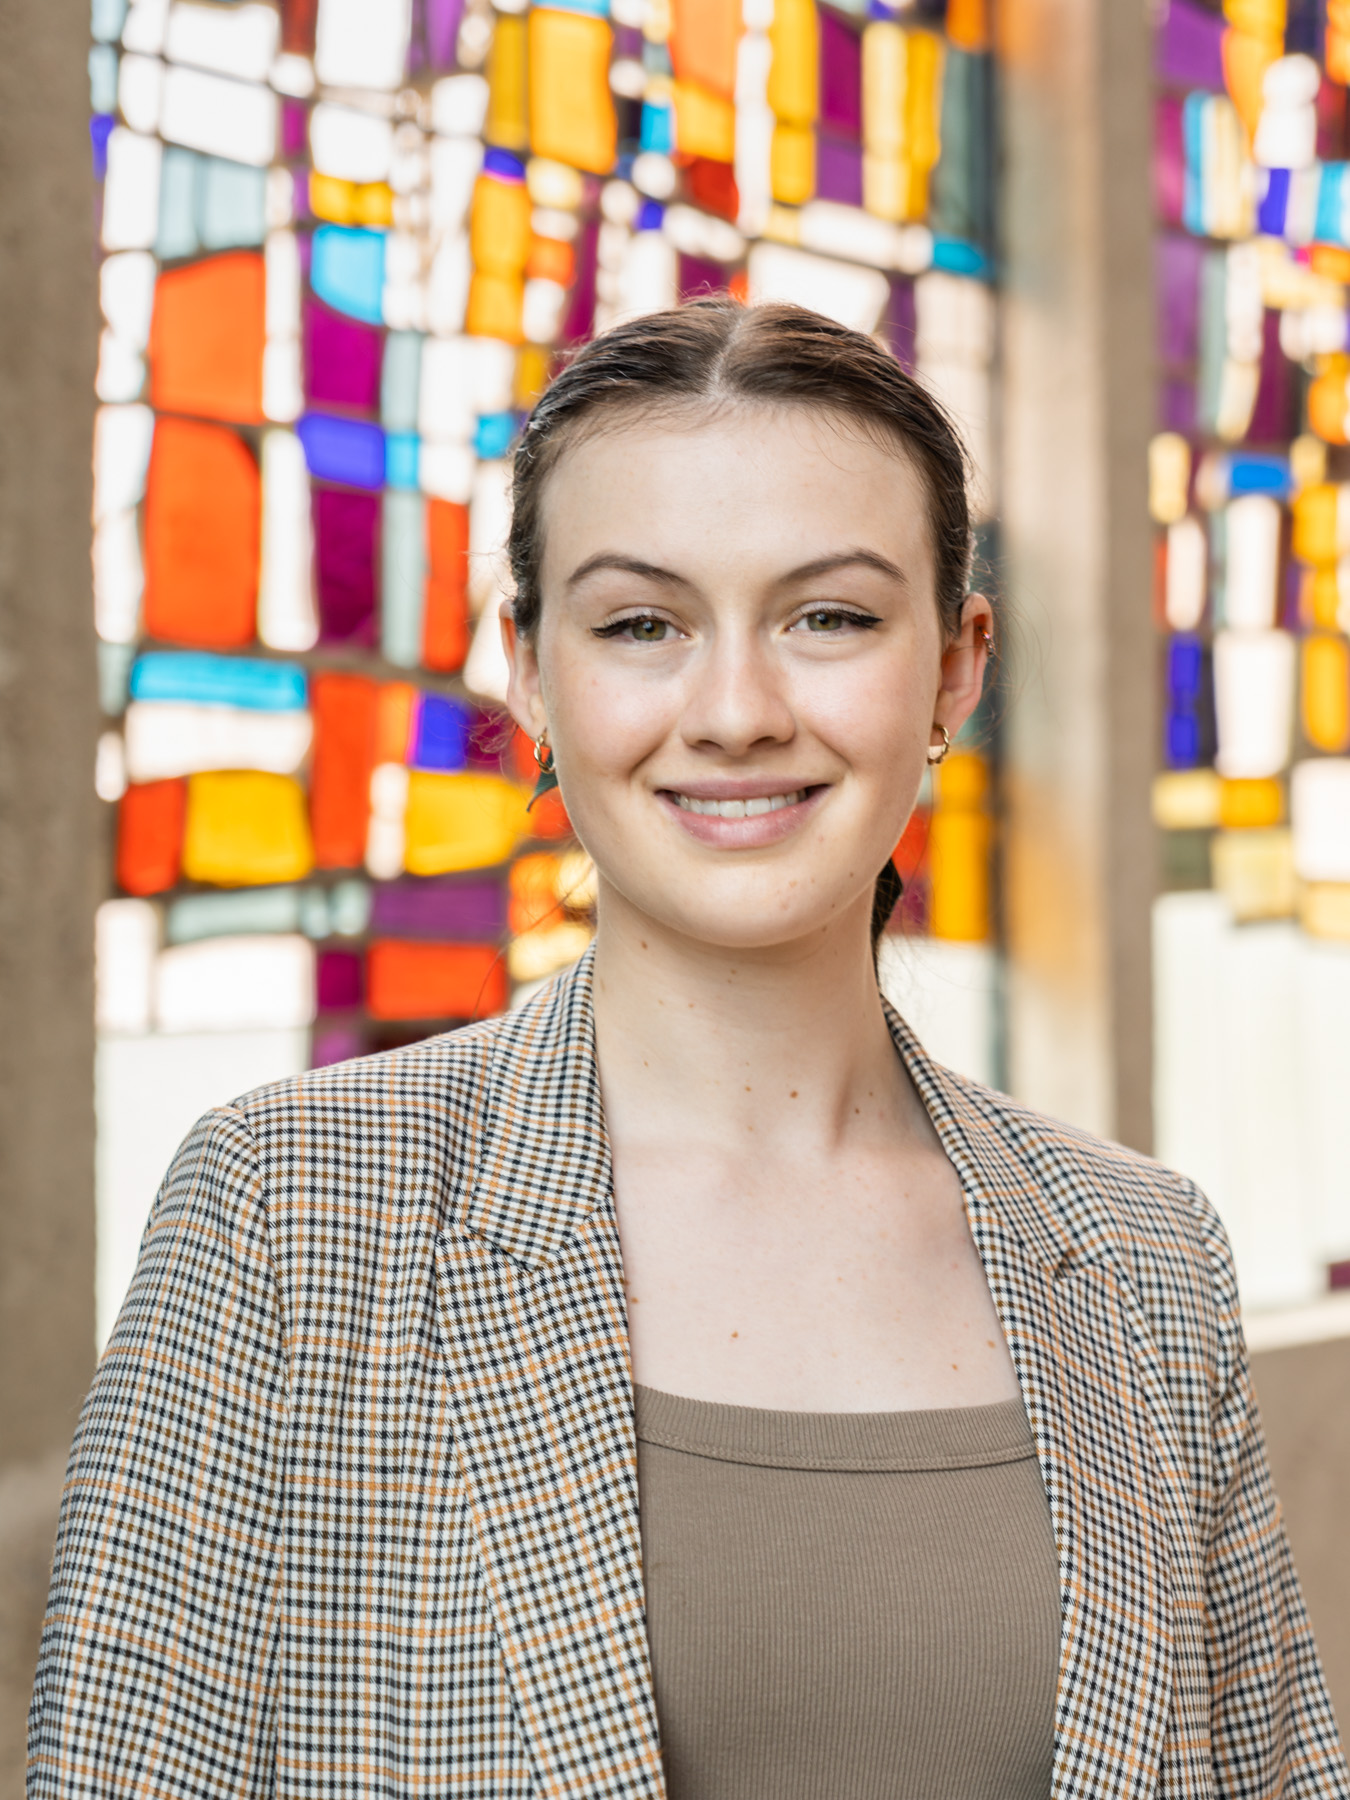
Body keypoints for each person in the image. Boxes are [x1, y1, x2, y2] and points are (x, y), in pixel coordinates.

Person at [29, 300, 1348, 1800]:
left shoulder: (1142, 1257)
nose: (733, 712)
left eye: (829, 617)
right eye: (641, 624)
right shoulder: (291, 1216)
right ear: (529, 671)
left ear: (955, 667)